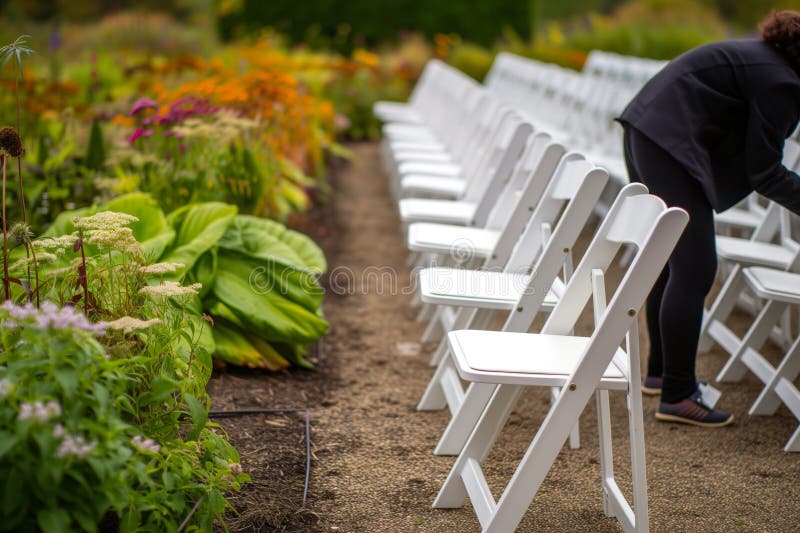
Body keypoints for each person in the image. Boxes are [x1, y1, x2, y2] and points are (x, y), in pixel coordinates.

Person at [617, 10, 800, 427]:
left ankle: (662, 374)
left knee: (671, 256)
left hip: (646, 129)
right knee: (696, 267)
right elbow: (765, 172)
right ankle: (678, 395)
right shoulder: (783, 83)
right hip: (666, 141)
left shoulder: (769, 61)